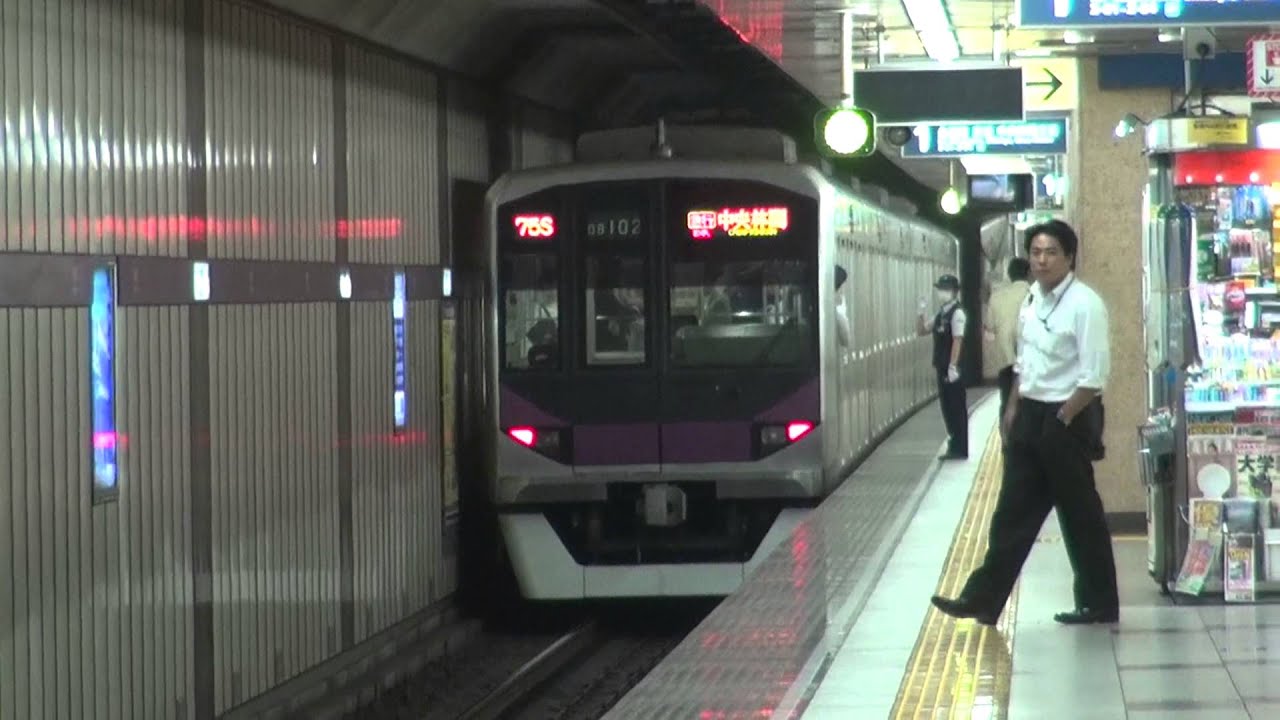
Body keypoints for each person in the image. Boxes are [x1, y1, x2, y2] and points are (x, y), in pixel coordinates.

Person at [931, 219, 1119, 626]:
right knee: (1011, 513)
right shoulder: (1033, 298)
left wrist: (1063, 417)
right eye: (1036, 252)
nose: (1042, 260)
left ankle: (1099, 602)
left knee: (1080, 514)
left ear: (1069, 257)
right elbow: (1025, 360)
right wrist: (1013, 407)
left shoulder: (1085, 305)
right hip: (1030, 413)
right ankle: (982, 599)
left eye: (1051, 252)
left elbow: (1094, 377)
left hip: (1066, 417)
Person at [917, 274, 967, 460]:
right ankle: (954, 444)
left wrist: (953, 366)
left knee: (955, 408)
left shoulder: (957, 313)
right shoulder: (941, 314)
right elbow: (922, 330)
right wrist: (920, 312)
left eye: (945, 289)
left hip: (951, 370)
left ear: (954, 292)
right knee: (947, 408)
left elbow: (957, 340)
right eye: (940, 289)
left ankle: (960, 448)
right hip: (941, 367)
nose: (942, 293)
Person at [986, 258, 1032, 420]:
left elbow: (990, 327)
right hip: (1030, 363)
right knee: (1028, 408)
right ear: (1029, 273)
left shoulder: (996, 298)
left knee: (1006, 402)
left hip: (1006, 362)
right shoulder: (1035, 295)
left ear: (1009, 275)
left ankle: (1007, 433)